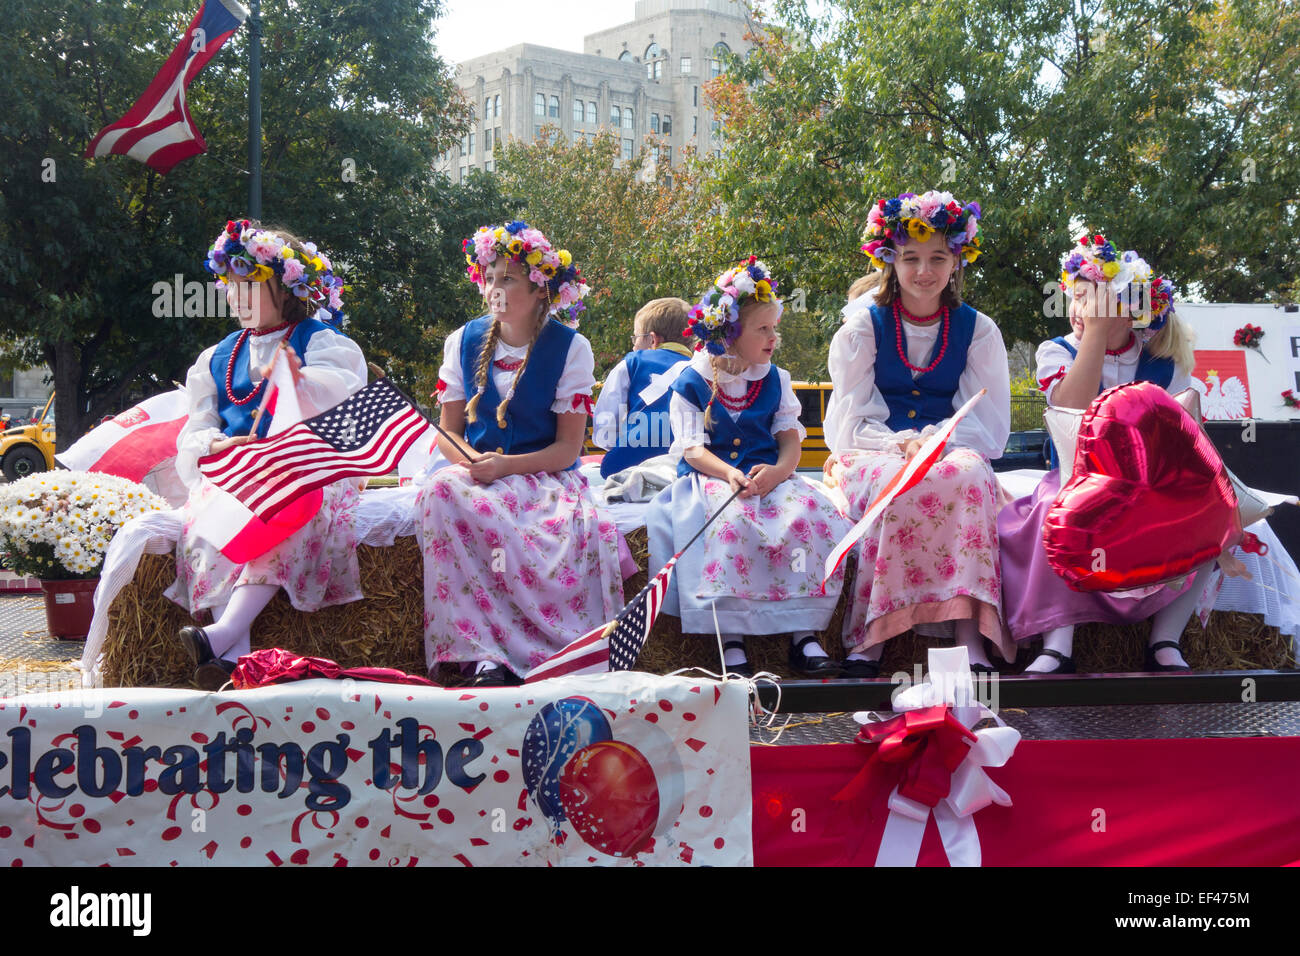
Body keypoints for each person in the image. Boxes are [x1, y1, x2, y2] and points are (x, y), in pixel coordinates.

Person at [416, 221, 623, 686]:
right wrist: (472, 463)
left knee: (552, 530)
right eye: (489, 278)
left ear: (538, 286)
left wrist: (507, 467)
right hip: (477, 469)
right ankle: (480, 650)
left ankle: (541, 650)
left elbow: (569, 448)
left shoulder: (571, 347)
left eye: (507, 278)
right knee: (441, 492)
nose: (494, 288)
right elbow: (447, 433)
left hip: (541, 473)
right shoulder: (463, 341)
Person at [168, 219, 368, 689]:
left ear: (288, 288)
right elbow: (194, 432)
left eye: (251, 286)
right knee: (209, 527)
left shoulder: (318, 342)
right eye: (232, 287)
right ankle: (231, 659)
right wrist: (216, 446)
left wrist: (300, 380)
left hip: (300, 471)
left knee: (279, 513)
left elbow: (340, 396)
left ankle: (224, 635)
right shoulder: (216, 357)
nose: (238, 298)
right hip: (236, 475)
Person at [824, 190, 1013, 677]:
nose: (924, 271)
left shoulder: (979, 330)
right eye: (911, 258)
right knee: (897, 480)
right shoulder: (863, 327)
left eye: (938, 258)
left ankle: (968, 633)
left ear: (957, 260)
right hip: (872, 447)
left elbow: (987, 426)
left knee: (971, 476)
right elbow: (849, 421)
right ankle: (874, 633)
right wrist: (898, 443)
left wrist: (936, 441)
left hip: (951, 447)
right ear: (890, 259)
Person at [999, 233, 1206, 673]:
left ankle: (1165, 639)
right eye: (1075, 299)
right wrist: (1094, 333)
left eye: (1093, 302)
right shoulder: (1057, 350)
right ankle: (1059, 642)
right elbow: (1071, 406)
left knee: (1208, 514)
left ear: (1131, 311)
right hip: (1075, 478)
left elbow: (1183, 435)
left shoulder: (1164, 362)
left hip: (1147, 483)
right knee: (1059, 512)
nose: (1079, 310)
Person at [646, 258, 852, 678]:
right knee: (730, 521)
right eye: (764, 329)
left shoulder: (775, 378)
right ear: (731, 333)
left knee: (804, 516)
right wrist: (727, 474)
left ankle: (804, 632)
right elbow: (691, 449)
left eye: (774, 328)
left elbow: (791, 440)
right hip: (715, 477)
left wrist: (778, 473)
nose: (774, 337)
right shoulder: (692, 381)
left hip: (769, 477)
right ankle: (731, 637)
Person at [592, 297, 693, 479]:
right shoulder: (702, 368)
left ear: (652, 339)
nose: (634, 344)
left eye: (636, 338)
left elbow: (605, 425)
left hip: (628, 465)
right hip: (686, 467)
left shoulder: (633, 362)